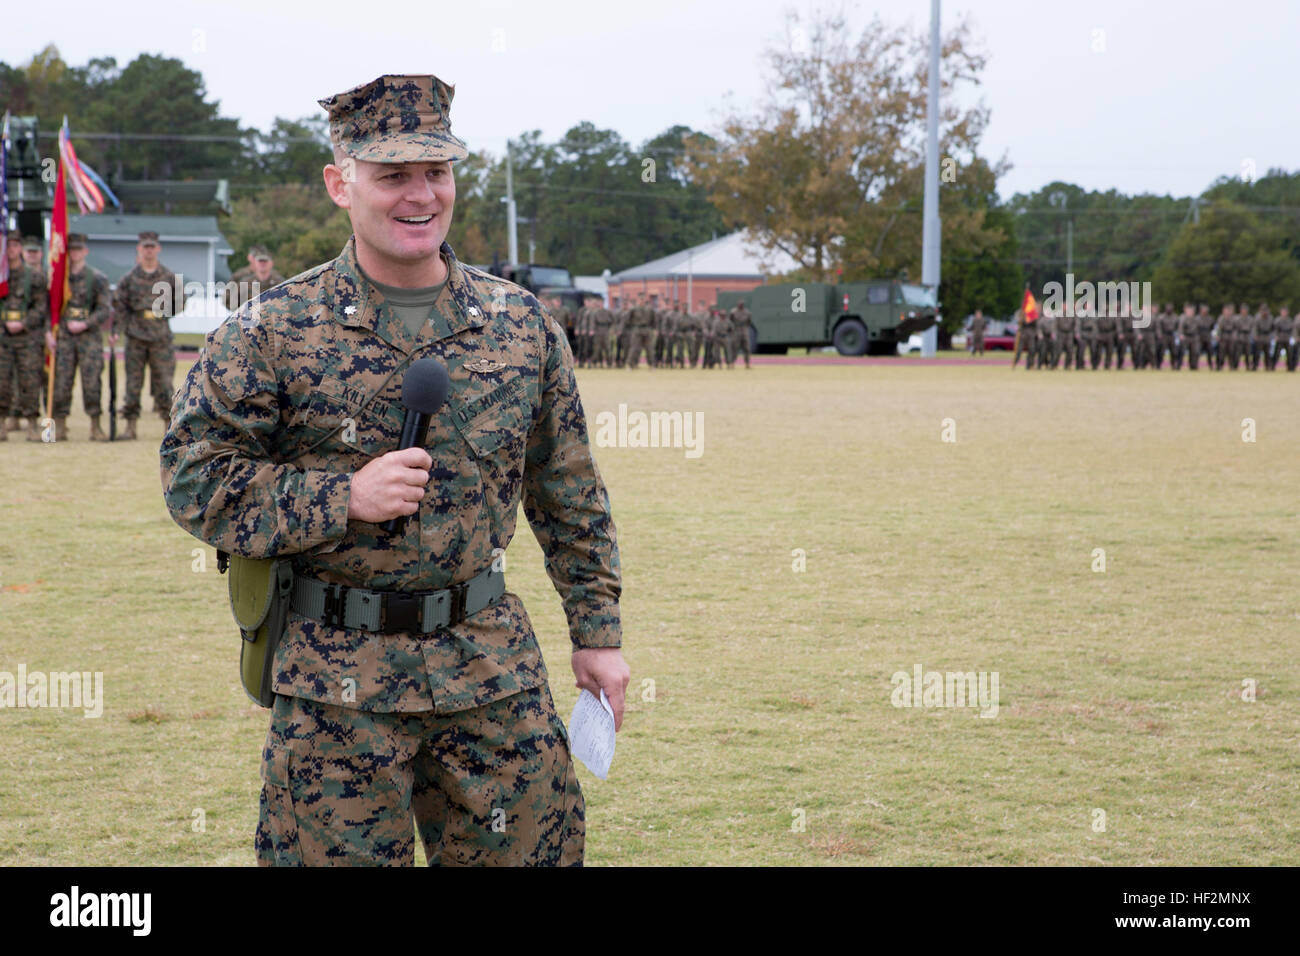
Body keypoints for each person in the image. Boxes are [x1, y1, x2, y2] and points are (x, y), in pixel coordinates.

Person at [161, 73, 627, 867]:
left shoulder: (520, 327)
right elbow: (193, 476)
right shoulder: (273, 331)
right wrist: (342, 496)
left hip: (489, 669)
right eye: (393, 175)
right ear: (341, 184)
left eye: (436, 172)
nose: (420, 195)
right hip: (335, 685)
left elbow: (569, 492)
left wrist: (598, 633)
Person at [111, 231, 180, 438]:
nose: (148, 251)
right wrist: (117, 331)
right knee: (133, 383)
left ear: (158, 249)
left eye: (152, 247)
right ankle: (130, 427)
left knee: (164, 383)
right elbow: (120, 306)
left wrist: (165, 312)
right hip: (136, 337)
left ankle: (169, 427)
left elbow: (180, 301)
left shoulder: (168, 277)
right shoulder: (129, 278)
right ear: (139, 249)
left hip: (160, 337)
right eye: (145, 247)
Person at [48, 233, 112, 441]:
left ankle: (95, 425)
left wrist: (85, 323)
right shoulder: (59, 279)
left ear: (85, 251)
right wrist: (50, 331)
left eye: (78, 249)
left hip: (89, 338)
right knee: (62, 382)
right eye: (71, 250)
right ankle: (61, 425)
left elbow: (104, 309)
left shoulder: (97, 278)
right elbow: (49, 308)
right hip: (64, 337)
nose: (74, 254)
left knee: (92, 382)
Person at [0, 235, 48, 441]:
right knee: (2, 381)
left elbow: (41, 306)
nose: (10, 249)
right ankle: (2, 423)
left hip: (27, 338)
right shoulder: (1, 275)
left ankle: (31, 424)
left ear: (20, 248)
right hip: (3, 336)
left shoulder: (33, 277)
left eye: (14, 245)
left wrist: (24, 323)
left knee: (30, 381)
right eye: (7, 245)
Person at [225, 245, 286, 312]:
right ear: (255, 262)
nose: (262, 264)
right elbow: (230, 302)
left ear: (271, 263)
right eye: (260, 261)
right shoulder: (245, 282)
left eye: (265, 261)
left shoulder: (280, 283)